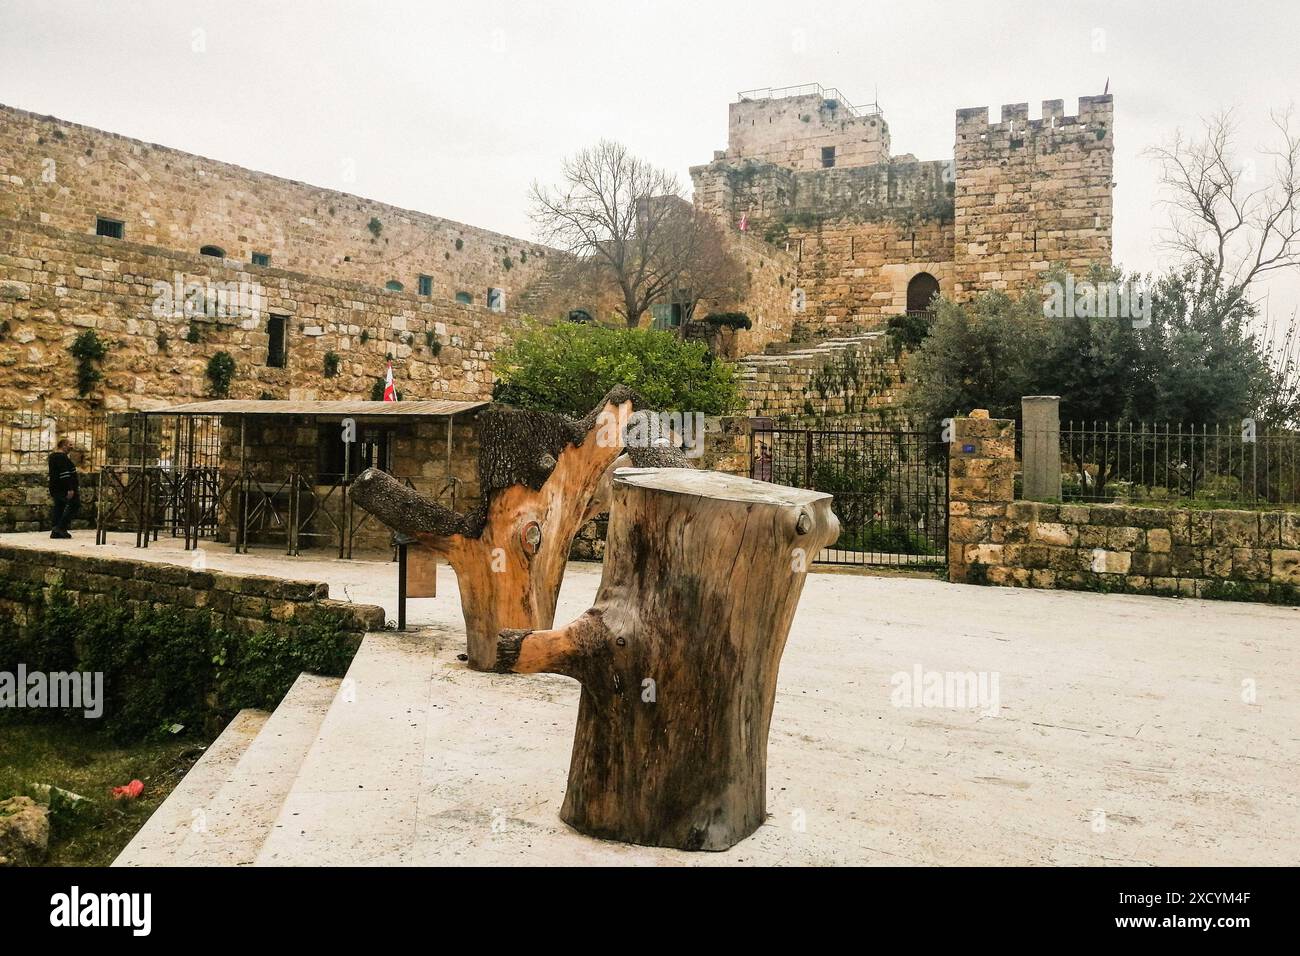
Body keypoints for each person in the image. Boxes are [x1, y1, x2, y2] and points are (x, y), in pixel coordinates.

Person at [47, 438, 80, 539]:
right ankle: (60, 527)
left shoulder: (53, 457)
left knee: (59, 507)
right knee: (75, 504)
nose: (72, 447)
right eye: (70, 445)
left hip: (55, 486)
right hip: (64, 488)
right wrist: (70, 488)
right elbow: (65, 474)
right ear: (64, 446)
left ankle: (55, 531)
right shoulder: (62, 458)